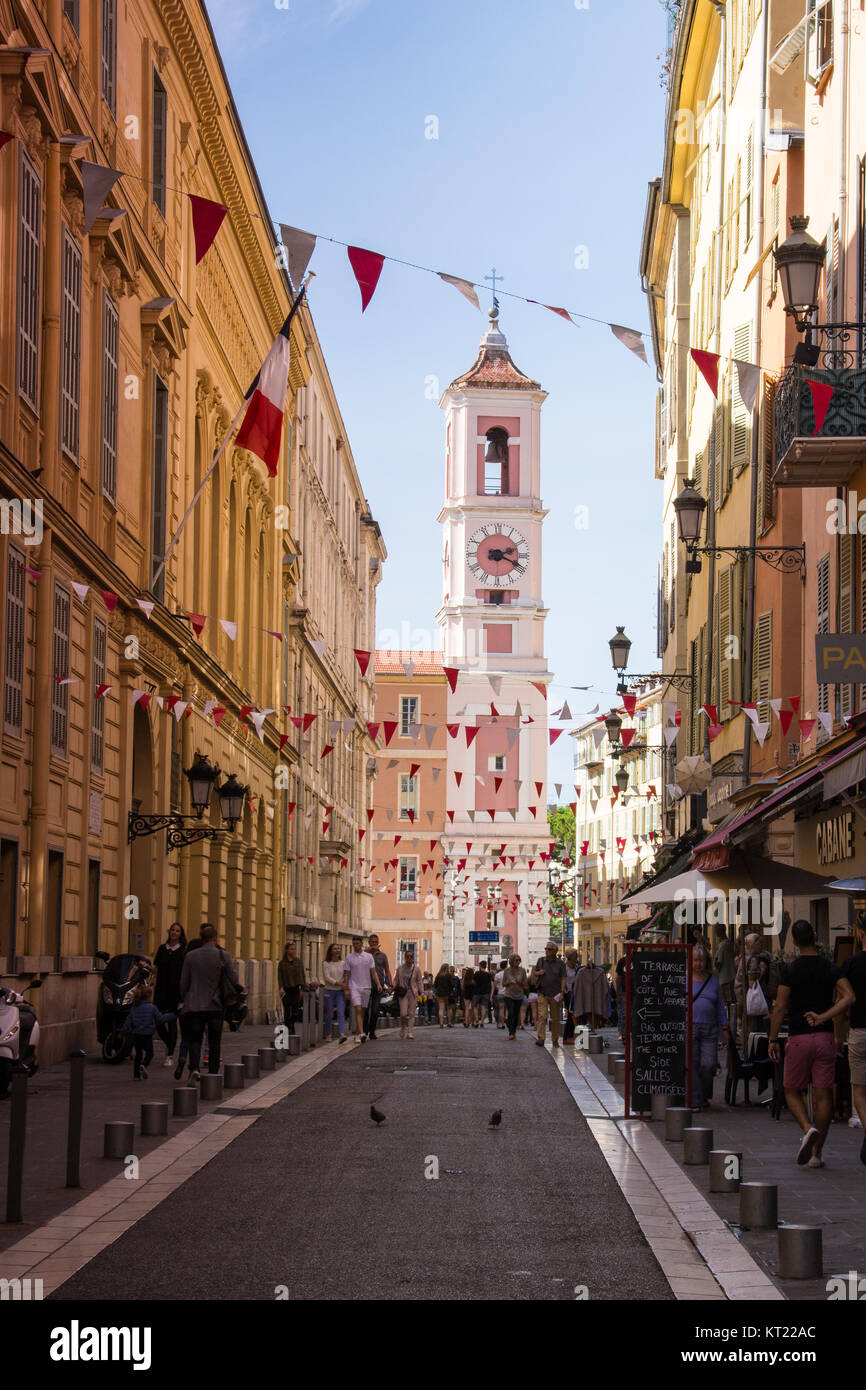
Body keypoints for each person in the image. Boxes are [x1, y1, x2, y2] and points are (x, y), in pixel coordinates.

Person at [768, 919, 854, 1167]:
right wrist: (825, 1016)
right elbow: (849, 997)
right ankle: (817, 1153)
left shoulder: (790, 970)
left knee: (791, 1090)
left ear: (793, 941)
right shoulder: (830, 968)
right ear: (814, 936)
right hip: (825, 1038)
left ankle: (807, 1128)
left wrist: (773, 1038)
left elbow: (780, 1006)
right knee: (823, 1095)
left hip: (798, 1037)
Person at [803, 914, 866, 1164]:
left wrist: (835, 1031)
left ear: (860, 933)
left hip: (860, 1032)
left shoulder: (850, 964)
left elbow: (843, 1002)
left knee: (859, 1091)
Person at [178, 924, 241, 1080]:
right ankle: (213, 1073)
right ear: (215, 938)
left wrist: (185, 998)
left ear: (202, 938)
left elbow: (183, 983)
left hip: (194, 1004)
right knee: (214, 1040)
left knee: (195, 1038)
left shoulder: (191, 956)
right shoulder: (223, 956)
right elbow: (233, 979)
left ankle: (195, 1068)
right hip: (216, 1004)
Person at [690, 946, 729, 1110]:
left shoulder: (713, 980)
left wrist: (725, 1027)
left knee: (708, 1064)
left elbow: (720, 1005)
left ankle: (704, 1094)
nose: (699, 964)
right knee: (693, 1064)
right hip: (690, 1027)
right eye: (696, 960)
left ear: (707, 962)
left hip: (710, 1028)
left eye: (702, 960)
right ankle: (696, 1100)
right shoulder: (685, 979)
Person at [121, 985, 175, 1081]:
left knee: (138, 1055)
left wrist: (122, 1032)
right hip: (147, 1034)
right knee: (149, 1053)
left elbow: (128, 1022)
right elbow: (160, 1019)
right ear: (149, 996)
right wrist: (172, 1015)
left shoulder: (134, 1008)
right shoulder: (152, 1007)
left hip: (136, 1035)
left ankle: (136, 1075)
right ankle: (144, 1065)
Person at [153, 921, 186, 1068]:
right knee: (158, 1022)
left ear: (181, 934)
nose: (174, 932)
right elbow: (157, 969)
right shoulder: (162, 949)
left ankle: (170, 1055)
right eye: (172, 930)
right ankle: (169, 1044)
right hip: (161, 990)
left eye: (177, 931)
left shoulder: (183, 951)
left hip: (175, 991)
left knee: (172, 1022)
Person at [343, 935, 380, 1042]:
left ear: (361, 944)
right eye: (354, 944)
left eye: (357, 944)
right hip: (354, 986)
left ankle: (357, 1034)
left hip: (366, 987)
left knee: (362, 1012)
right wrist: (346, 988)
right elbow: (347, 974)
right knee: (358, 1009)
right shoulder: (349, 957)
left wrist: (378, 984)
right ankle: (363, 1033)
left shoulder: (368, 957)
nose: (356, 946)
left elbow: (373, 972)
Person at [532, 941, 567, 1047]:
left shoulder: (560, 964)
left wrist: (562, 992)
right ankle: (541, 1038)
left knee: (555, 1018)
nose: (547, 951)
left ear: (555, 951)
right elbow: (534, 972)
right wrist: (539, 973)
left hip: (555, 994)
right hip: (542, 992)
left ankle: (555, 1039)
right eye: (546, 949)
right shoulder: (541, 961)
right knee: (542, 1016)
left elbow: (563, 978)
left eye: (549, 949)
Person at [364, 934, 392, 1041]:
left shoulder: (383, 956)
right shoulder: (365, 954)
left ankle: (372, 1031)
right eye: (372, 942)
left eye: (376, 942)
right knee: (365, 1011)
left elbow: (387, 970)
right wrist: (370, 949)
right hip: (366, 986)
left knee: (375, 1011)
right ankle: (365, 1031)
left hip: (378, 986)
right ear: (369, 942)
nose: (374, 944)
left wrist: (390, 984)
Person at [320, 943, 347, 1043]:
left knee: (340, 1012)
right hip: (329, 990)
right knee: (329, 1013)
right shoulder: (326, 963)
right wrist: (338, 983)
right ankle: (328, 1034)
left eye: (338, 949)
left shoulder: (343, 963)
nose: (337, 950)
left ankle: (341, 1033)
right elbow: (327, 977)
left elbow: (345, 975)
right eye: (335, 949)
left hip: (340, 991)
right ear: (330, 951)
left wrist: (344, 985)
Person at [278, 941, 306, 1036]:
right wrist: (281, 988)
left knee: (295, 1010)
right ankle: (288, 1028)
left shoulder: (298, 961)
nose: (293, 951)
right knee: (287, 1010)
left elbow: (302, 975)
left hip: (296, 988)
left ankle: (291, 1025)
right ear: (286, 950)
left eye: (294, 949)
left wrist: (302, 988)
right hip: (286, 989)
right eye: (291, 949)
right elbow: (280, 976)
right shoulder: (282, 963)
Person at [394, 950, 423, 1039]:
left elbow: (419, 981)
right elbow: (396, 980)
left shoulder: (416, 969)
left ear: (413, 958)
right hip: (403, 993)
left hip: (413, 993)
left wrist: (421, 992)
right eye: (407, 956)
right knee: (403, 1013)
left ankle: (410, 1032)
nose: (409, 958)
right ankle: (403, 1026)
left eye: (411, 956)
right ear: (405, 957)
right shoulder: (400, 968)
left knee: (411, 1013)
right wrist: (392, 987)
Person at [502, 955, 528, 1040]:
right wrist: (509, 982)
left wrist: (519, 983)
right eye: (516, 960)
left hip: (519, 995)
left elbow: (525, 985)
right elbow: (503, 984)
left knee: (516, 1014)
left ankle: (513, 1030)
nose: (518, 962)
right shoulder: (507, 971)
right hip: (509, 994)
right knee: (511, 1012)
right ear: (512, 961)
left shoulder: (522, 971)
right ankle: (511, 1032)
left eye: (519, 960)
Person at [714, 927, 735, 1006]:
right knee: (731, 1000)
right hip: (731, 975)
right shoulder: (730, 944)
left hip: (724, 977)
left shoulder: (722, 946)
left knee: (726, 1002)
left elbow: (719, 962)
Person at [563, 949, 580, 1044]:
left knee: (575, 1015)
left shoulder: (576, 967)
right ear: (571, 957)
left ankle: (570, 1035)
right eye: (575, 955)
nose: (577, 956)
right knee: (570, 1014)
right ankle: (567, 1036)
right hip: (568, 993)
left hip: (576, 993)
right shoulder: (564, 968)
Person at [473, 959, 493, 1027]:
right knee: (483, 1007)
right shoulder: (488, 975)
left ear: (480, 966)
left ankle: (476, 1020)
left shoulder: (476, 973)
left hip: (477, 992)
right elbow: (490, 984)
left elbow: (473, 982)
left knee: (475, 1006)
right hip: (485, 993)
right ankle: (482, 1022)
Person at [614, 951, 627, 1041]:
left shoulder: (638, 960)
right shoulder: (622, 961)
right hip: (624, 990)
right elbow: (618, 978)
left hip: (635, 991)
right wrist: (618, 993)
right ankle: (622, 1033)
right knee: (623, 1013)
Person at [493, 960, 507, 1028]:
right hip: (508, 994)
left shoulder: (497, 975)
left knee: (501, 1009)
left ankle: (502, 1023)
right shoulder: (508, 973)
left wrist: (498, 988)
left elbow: (495, 985)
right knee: (507, 1009)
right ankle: (507, 1020)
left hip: (500, 993)